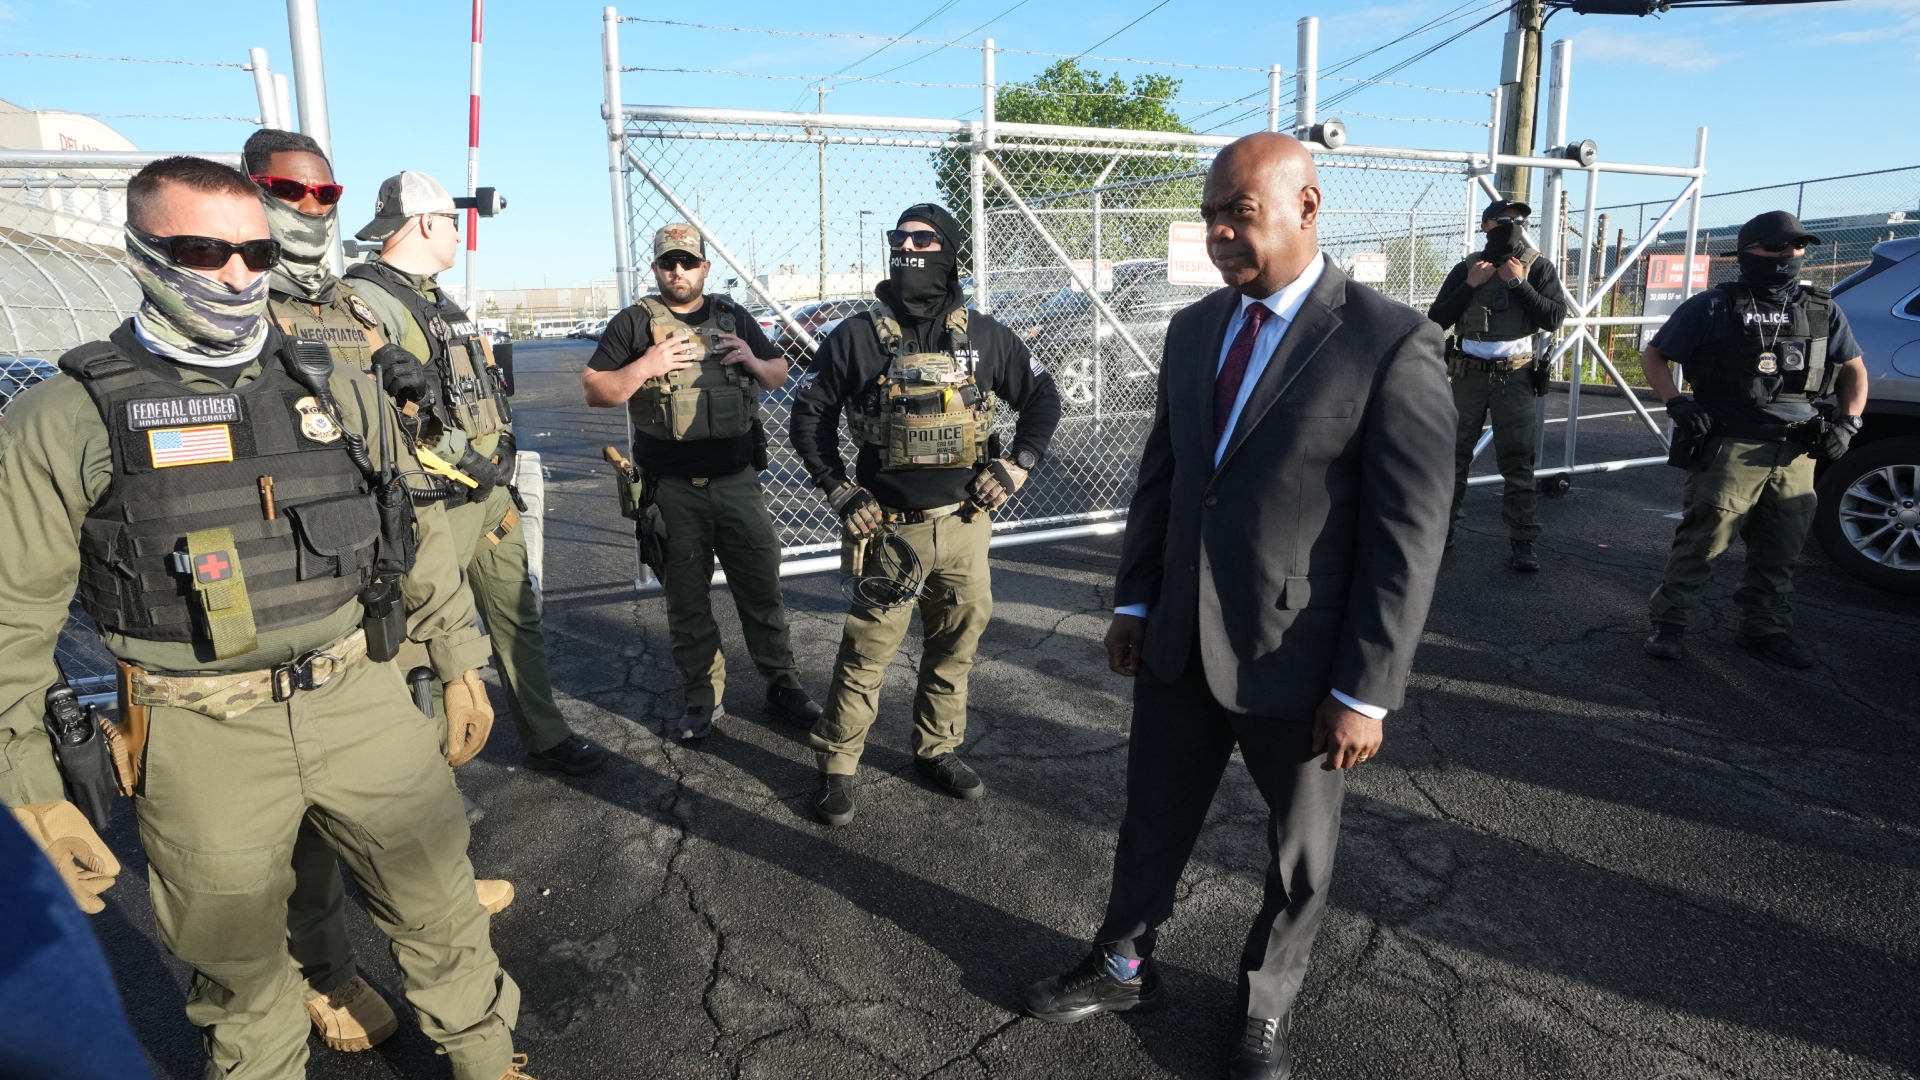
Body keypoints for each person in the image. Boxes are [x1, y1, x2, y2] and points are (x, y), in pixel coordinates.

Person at [0, 156, 532, 1080]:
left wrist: (457, 659)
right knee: (240, 982)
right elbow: (12, 619)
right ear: (140, 252)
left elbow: (408, 533)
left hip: (358, 695)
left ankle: (488, 1060)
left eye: (254, 251)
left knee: (443, 914)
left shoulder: (339, 386)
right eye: (202, 251)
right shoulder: (66, 418)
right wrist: (29, 789)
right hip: (199, 735)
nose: (238, 273)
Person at [1020, 133, 1454, 1079]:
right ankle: (1123, 964)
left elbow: (1409, 535)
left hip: (1301, 659)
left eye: (1239, 213)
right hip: (1180, 637)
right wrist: (1136, 603)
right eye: (1211, 214)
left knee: (1298, 857)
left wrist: (1367, 691)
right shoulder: (1194, 330)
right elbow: (1167, 479)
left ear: (1307, 206)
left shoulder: (1390, 343)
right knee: (1152, 817)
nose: (1219, 232)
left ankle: (1264, 1010)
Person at [243, 128, 518, 1056]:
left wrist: (457, 654)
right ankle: (325, 972)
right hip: (267, 629)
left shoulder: (350, 320)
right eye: (286, 191)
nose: (308, 209)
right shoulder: (210, 328)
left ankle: (468, 1014)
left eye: (324, 194)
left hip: (365, 609)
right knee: (296, 845)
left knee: (406, 807)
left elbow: (408, 493)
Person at [789, 203, 1062, 827]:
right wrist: (839, 490)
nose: (908, 248)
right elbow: (810, 416)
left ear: (949, 251)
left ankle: (937, 748)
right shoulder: (856, 336)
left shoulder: (985, 336)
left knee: (955, 646)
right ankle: (837, 765)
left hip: (966, 524)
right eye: (900, 238)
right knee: (866, 653)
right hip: (888, 531)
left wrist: (1018, 464)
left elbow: (1043, 396)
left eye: (923, 239)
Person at [346, 171, 606, 775]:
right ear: (424, 224)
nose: (458, 232)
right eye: (451, 220)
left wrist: (505, 442)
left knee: (518, 619)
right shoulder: (365, 302)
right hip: (435, 503)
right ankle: (430, 768)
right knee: (433, 638)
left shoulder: (438, 299)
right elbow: (390, 411)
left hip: (488, 494)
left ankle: (545, 734)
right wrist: (469, 459)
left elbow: (481, 384)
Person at [581, 224, 822, 740]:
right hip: (671, 490)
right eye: (668, 263)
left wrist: (752, 359)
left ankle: (784, 685)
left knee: (761, 591)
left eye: (688, 262)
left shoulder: (733, 317)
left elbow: (778, 373)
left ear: (704, 268)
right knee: (687, 603)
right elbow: (596, 391)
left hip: (737, 483)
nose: (678, 271)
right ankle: (702, 698)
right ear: (655, 268)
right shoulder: (635, 322)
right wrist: (647, 365)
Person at [1639, 210, 1867, 667]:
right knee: (1704, 541)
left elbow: (1854, 370)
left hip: (1797, 449)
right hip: (1731, 445)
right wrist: (1676, 402)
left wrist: (1849, 423)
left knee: (1782, 547)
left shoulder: (1821, 308)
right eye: (1776, 247)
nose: (1789, 255)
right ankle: (1670, 624)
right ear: (1747, 253)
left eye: (1797, 246)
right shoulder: (1714, 305)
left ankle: (1765, 629)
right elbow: (1655, 355)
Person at [1425, 199, 1566, 571]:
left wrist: (1518, 284)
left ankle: (1522, 539)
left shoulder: (1537, 267)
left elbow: (1554, 318)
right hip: (1467, 375)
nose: (1513, 225)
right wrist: (1470, 285)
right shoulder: (1469, 268)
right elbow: (1436, 319)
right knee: (1452, 457)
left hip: (1514, 376)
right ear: (1485, 225)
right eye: (1504, 219)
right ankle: (1442, 532)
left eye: (1519, 220)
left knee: (1518, 460)